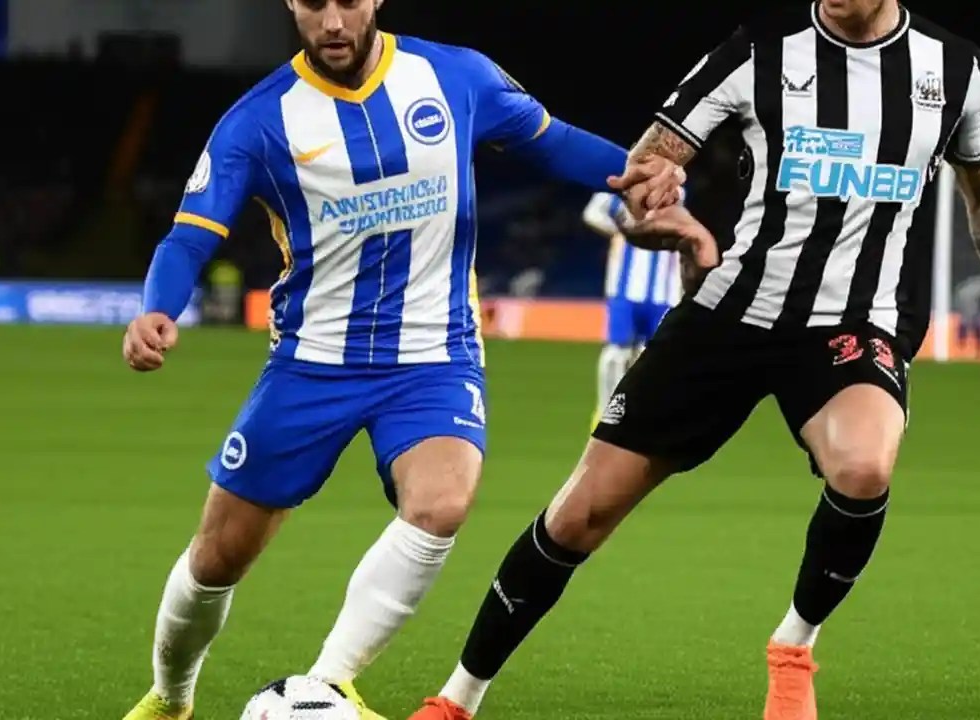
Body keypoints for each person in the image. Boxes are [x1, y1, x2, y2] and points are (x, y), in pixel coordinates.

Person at [407, 2, 980, 719]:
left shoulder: (954, 69)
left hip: (854, 322)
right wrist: (666, 220)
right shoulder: (759, 51)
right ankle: (457, 698)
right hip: (728, 314)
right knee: (577, 516)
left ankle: (793, 648)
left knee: (865, 466)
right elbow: (645, 169)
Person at [118, 1, 687, 719]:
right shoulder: (259, 122)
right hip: (310, 363)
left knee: (442, 501)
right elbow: (189, 236)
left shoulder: (455, 77)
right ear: (291, 5)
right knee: (218, 557)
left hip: (433, 354)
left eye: (347, 1)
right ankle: (170, 698)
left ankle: (325, 684)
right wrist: (157, 307)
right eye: (314, 3)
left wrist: (635, 172)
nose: (332, 21)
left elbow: (555, 142)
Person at [581, 191, 683, 428]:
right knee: (617, 351)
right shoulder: (621, 195)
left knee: (652, 357)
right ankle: (607, 412)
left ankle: (644, 411)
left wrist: (679, 292)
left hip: (662, 294)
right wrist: (618, 230)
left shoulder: (676, 194)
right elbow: (592, 211)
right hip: (624, 291)